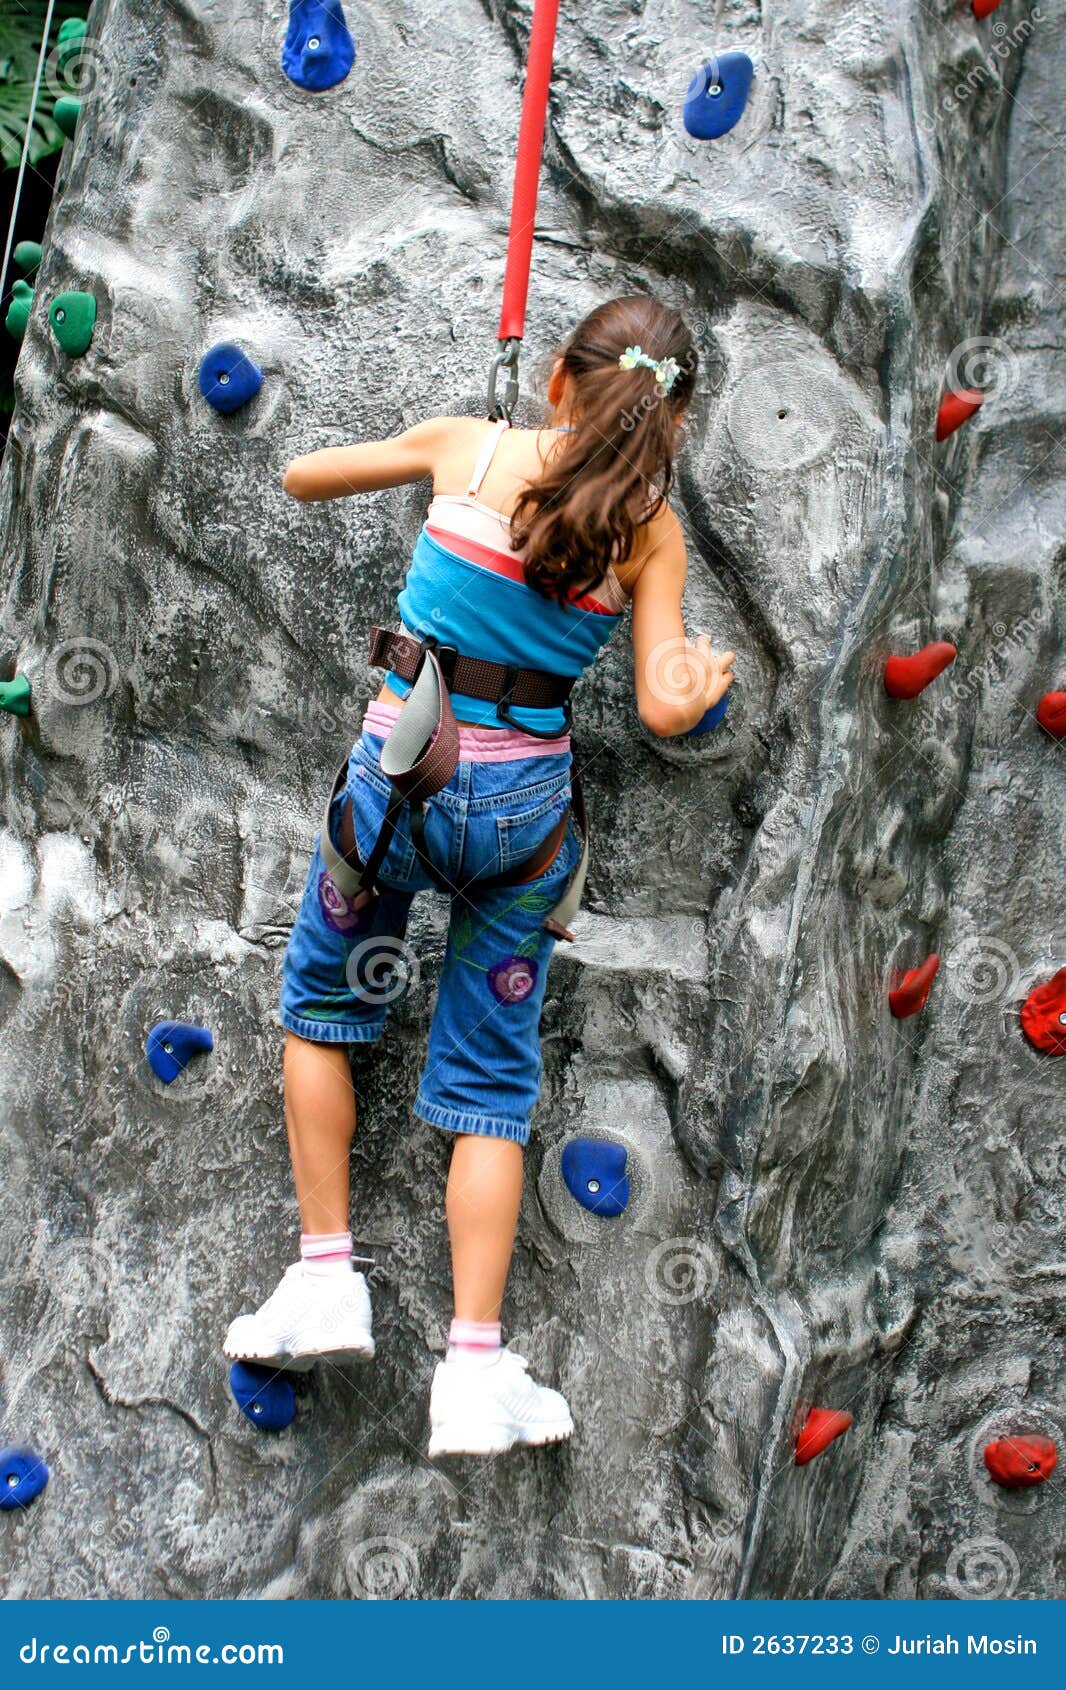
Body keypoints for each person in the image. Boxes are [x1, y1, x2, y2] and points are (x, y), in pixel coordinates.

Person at [222, 295, 735, 1457]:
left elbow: (303, 474)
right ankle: (471, 1368)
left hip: (398, 782)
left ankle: (322, 1280)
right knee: (492, 1083)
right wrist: (698, 683)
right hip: (521, 825)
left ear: (558, 377)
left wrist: (446, 444)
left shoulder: (470, 446)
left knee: (323, 1007)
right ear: (672, 425)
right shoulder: (650, 535)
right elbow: (660, 703)